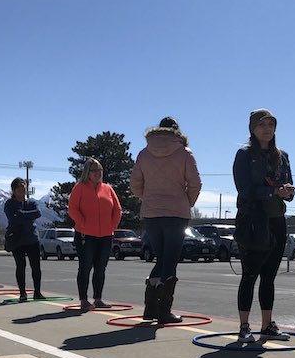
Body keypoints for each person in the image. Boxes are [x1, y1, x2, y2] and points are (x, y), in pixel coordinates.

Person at [130, 117, 201, 323]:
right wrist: (185, 202)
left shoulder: (144, 154)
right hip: (176, 214)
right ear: (177, 132)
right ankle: (163, 310)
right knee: (169, 261)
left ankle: (150, 308)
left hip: (151, 214)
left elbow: (134, 185)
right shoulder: (184, 153)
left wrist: (149, 197)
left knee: (161, 258)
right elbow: (195, 183)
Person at [232, 109, 295, 343]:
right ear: (252, 129)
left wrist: (287, 192)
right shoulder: (245, 154)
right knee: (250, 275)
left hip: (276, 220)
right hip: (253, 222)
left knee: (269, 277)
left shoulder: (282, 155)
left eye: (271, 124)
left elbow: (287, 185)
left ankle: (267, 325)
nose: (267, 129)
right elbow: (245, 190)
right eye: (262, 125)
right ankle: (243, 326)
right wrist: (271, 191)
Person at [69, 157, 123, 311]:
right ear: (87, 172)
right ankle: (84, 299)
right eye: (94, 170)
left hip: (106, 235)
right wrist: (83, 223)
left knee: (100, 268)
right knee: (85, 267)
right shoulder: (80, 187)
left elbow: (117, 210)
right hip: (86, 235)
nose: (98, 173)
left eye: (100, 170)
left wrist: (111, 226)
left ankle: (98, 298)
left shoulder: (107, 188)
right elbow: (72, 208)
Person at [4, 177, 46, 302]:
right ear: (13, 190)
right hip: (17, 240)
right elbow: (13, 219)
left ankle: (37, 292)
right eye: (19, 188)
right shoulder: (9, 204)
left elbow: (38, 213)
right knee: (20, 266)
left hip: (32, 239)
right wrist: (27, 217)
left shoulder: (31, 202)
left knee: (36, 267)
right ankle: (23, 293)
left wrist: (21, 213)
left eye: (24, 188)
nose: (22, 191)